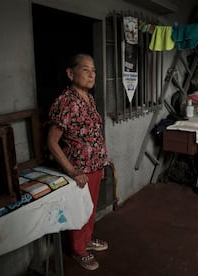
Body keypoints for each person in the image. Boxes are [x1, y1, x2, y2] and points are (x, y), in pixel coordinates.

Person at [47, 53, 110, 271]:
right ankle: (78, 250)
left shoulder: (88, 98)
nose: (92, 74)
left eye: (94, 70)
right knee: (79, 209)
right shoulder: (66, 101)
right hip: (80, 170)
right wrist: (72, 171)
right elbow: (52, 142)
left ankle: (87, 239)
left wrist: (103, 159)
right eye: (86, 69)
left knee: (90, 208)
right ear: (70, 73)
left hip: (95, 165)